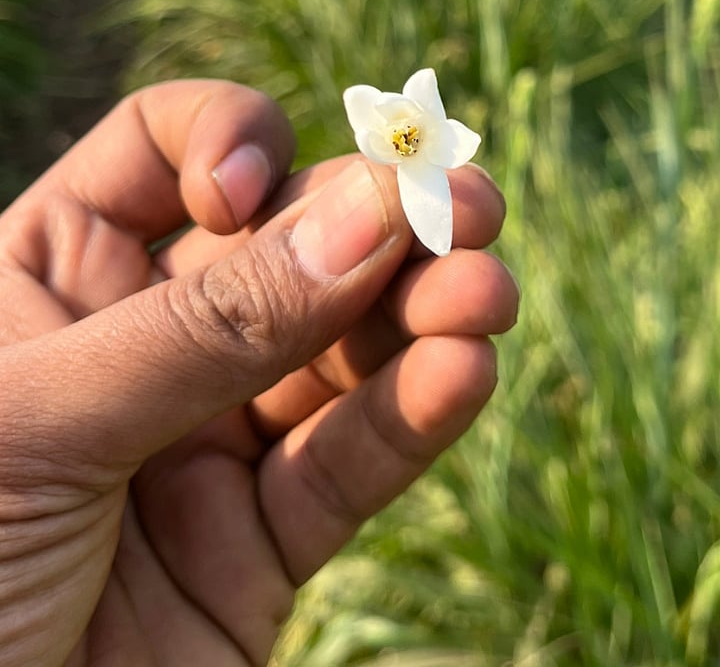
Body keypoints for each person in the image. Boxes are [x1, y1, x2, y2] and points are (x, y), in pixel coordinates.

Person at [0, 79, 519, 667]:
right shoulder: (394, 150)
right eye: (399, 135)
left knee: (453, 340)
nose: (403, 138)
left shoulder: (424, 155)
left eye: (411, 135)